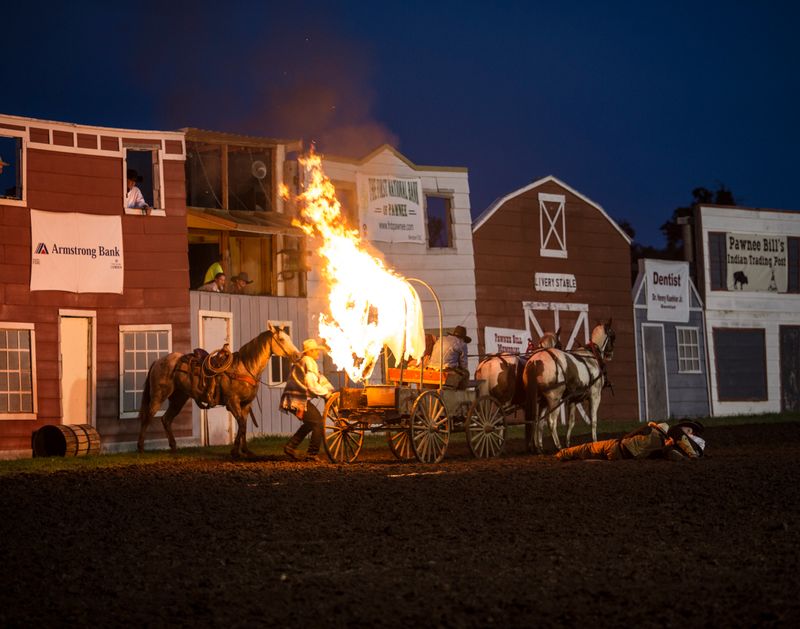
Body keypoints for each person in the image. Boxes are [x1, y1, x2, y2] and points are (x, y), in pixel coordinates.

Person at [280, 339, 335, 462]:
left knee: (311, 422)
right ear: (309, 352)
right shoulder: (309, 362)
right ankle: (312, 454)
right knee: (318, 423)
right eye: (315, 350)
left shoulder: (303, 361)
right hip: (297, 399)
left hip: (292, 398)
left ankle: (290, 446)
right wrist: (327, 394)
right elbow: (311, 384)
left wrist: (328, 391)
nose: (318, 353)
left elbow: (319, 380)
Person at [555, 420, 706, 461]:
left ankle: (563, 453)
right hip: (621, 453)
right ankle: (564, 454)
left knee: (588, 449)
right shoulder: (666, 442)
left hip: (618, 447)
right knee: (589, 451)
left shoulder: (667, 435)